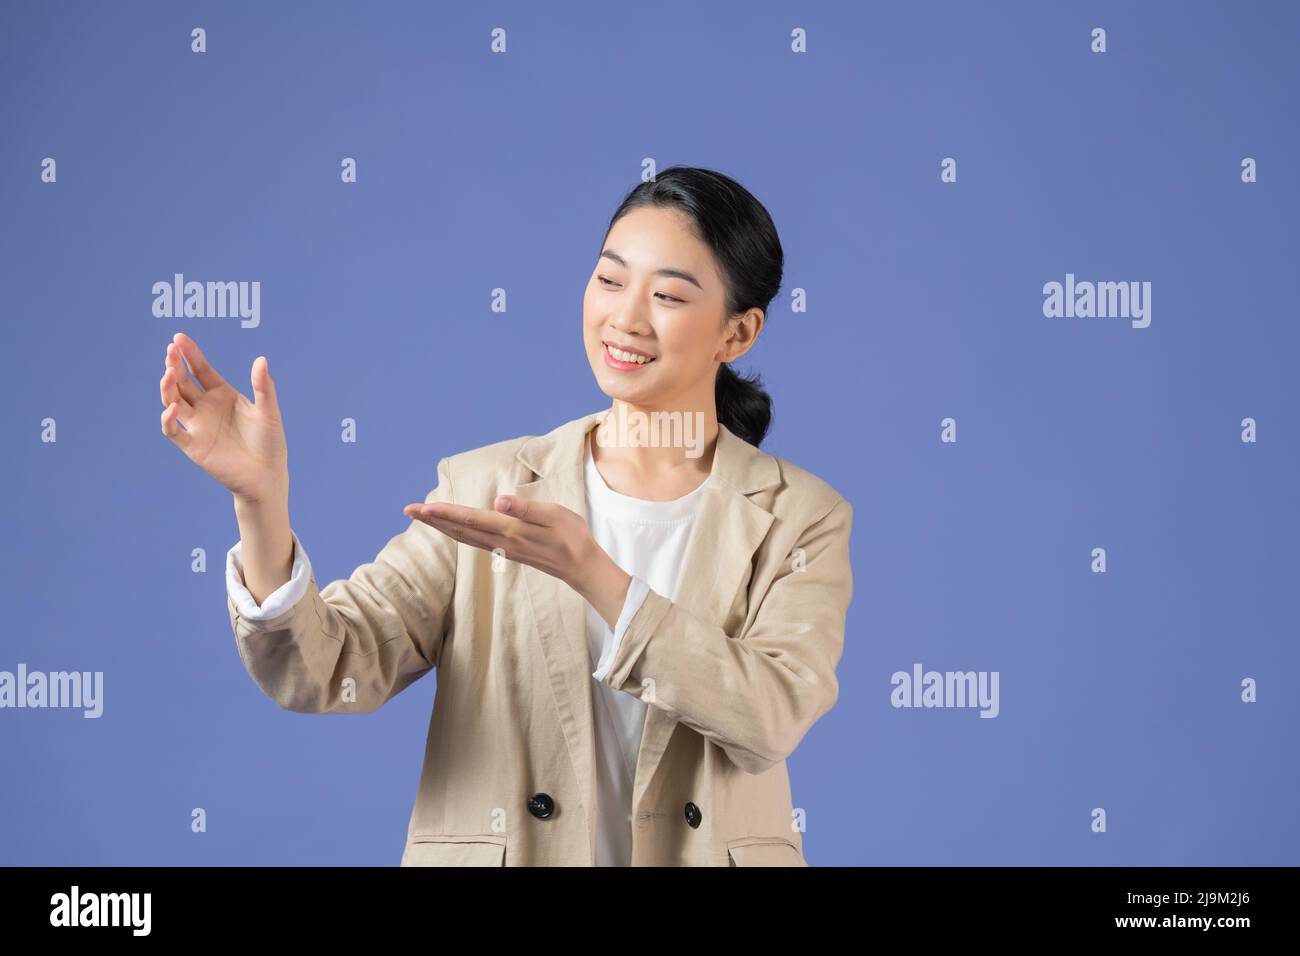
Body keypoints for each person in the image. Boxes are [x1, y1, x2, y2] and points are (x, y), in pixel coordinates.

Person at [159, 166, 854, 866]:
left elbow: (769, 718)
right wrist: (260, 503)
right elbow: (327, 667)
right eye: (610, 280)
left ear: (737, 334)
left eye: (669, 295)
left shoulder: (800, 516)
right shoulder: (486, 484)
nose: (626, 317)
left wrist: (597, 576)